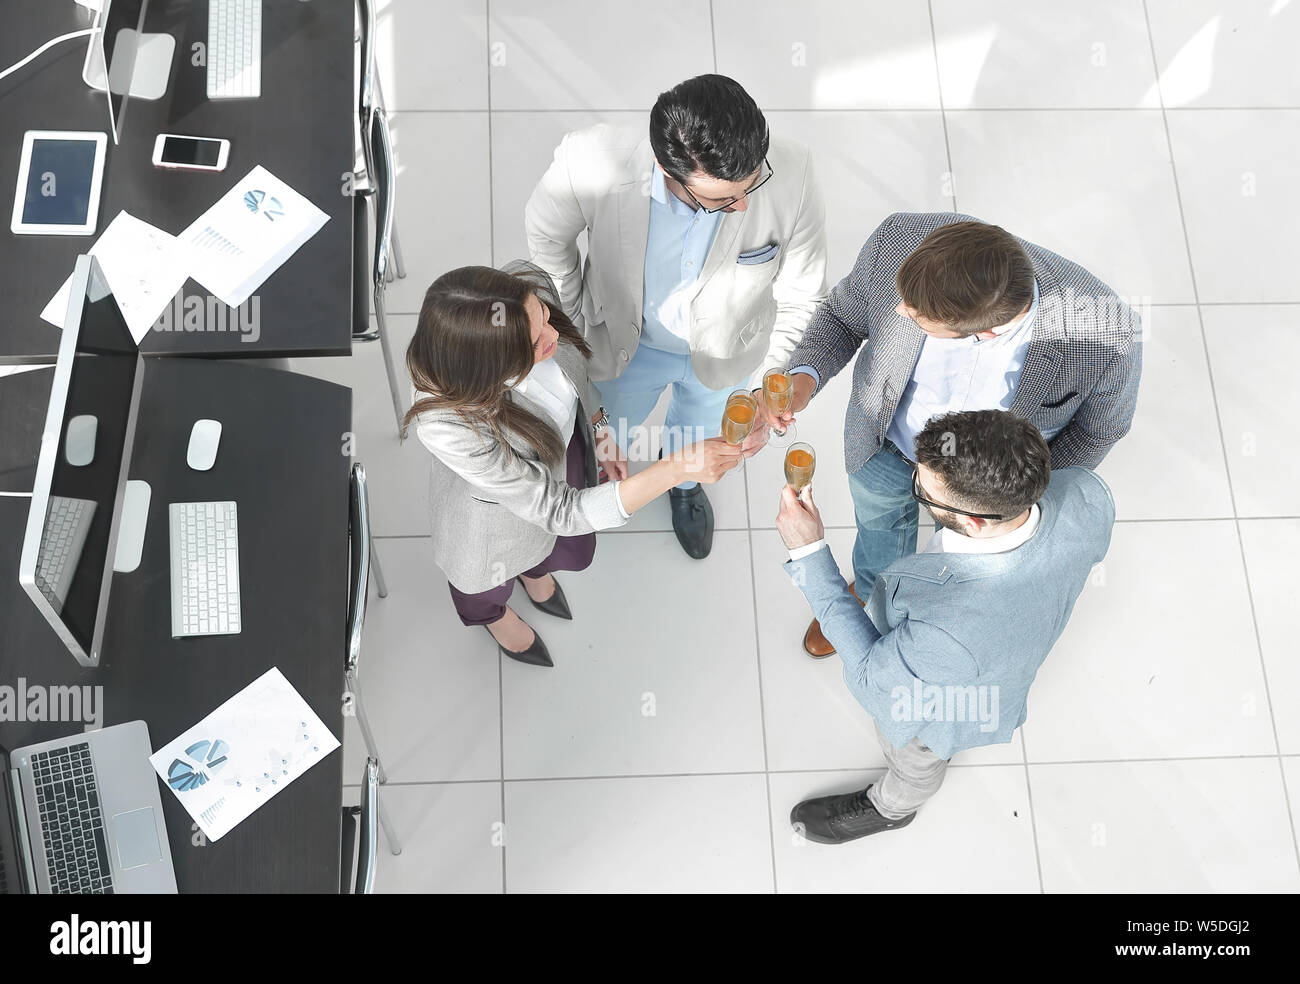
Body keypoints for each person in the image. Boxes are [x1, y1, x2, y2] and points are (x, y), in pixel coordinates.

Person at [769, 213, 1141, 657]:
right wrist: (803, 379)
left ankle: (921, 623)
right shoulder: (900, 240)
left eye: (917, 316)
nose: (898, 310)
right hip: (884, 446)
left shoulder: (1107, 334)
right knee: (879, 529)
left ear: (980, 332)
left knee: (960, 587)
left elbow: (1099, 431)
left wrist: (1011, 496)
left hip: (982, 495)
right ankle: (871, 595)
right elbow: (844, 318)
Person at [525, 74, 828, 560]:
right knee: (605, 433)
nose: (745, 205)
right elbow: (545, 238)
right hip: (621, 346)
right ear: (669, 171)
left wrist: (769, 380)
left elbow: (803, 296)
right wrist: (573, 328)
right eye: (724, 200)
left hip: (727, 357)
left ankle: (682, 486)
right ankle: (617, 488)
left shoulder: (795, 171)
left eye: (752, 185)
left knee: (702, 438)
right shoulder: (589, 158)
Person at [774, 409, 1115, 842]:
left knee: (916, 761)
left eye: (923, 490)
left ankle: (892, 809)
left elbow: (869, 679)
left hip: (945, 709)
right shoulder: (1087, 492)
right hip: (1004, 647)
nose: (914, 484)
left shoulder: (949, 632)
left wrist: (810, 554)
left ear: (974, 521)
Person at [403, 263, 742, 667]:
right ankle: (497, 617)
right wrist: (676, 468)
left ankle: (534, 573)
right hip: (499, 515)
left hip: (563, 454)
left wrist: (600, 428)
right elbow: (556, 509)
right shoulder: (447, 424)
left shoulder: (527, 292)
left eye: (545, 318)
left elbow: (574, 369)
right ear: (487, 369)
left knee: (555, 552)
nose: (553, 335)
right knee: (488, 583)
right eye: (534, 344)